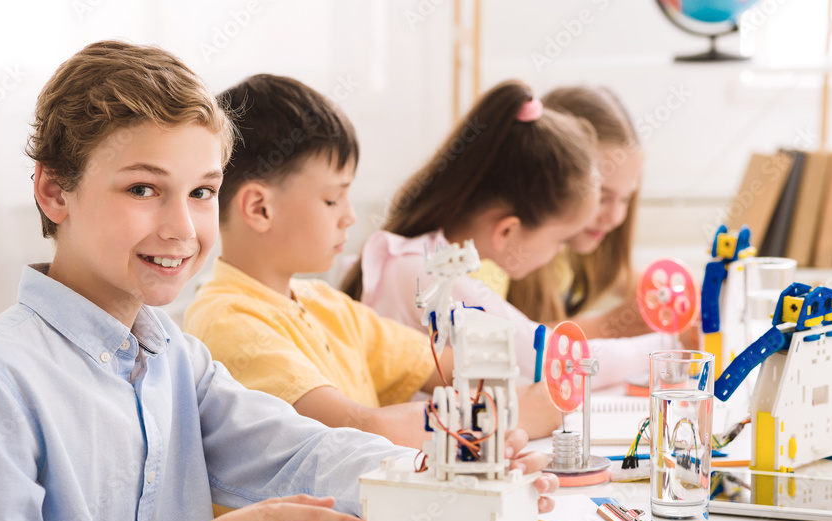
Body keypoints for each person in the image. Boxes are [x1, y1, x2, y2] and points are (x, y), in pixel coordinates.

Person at [0, 42, 558, 521]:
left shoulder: (174, 358)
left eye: (201, 192)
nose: (182, 228)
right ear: (53, 192)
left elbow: (303, 453)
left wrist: (443, 471)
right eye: (142, 189)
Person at [185, 74, 559, 443]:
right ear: (260, 208)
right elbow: (360, 430)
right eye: (332, 199)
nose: (349, 216)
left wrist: (516, 398)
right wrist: (509, 414)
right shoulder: (228, 321)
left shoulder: (325, 304)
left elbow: (447, 366)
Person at [340, 80, 669, 390]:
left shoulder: (423, 261)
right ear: (508, 230)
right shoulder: (430, 275)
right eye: (560, 241)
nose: (560, 252)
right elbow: (551, 360)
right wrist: (668, 345)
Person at [505, 85, 651, 340]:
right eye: (602, 196)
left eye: (626, 198)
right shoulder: (495, 254)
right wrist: (608, 326)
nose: (615, 217)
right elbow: (483, 347)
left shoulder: (578, 253)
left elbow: (648, 289)